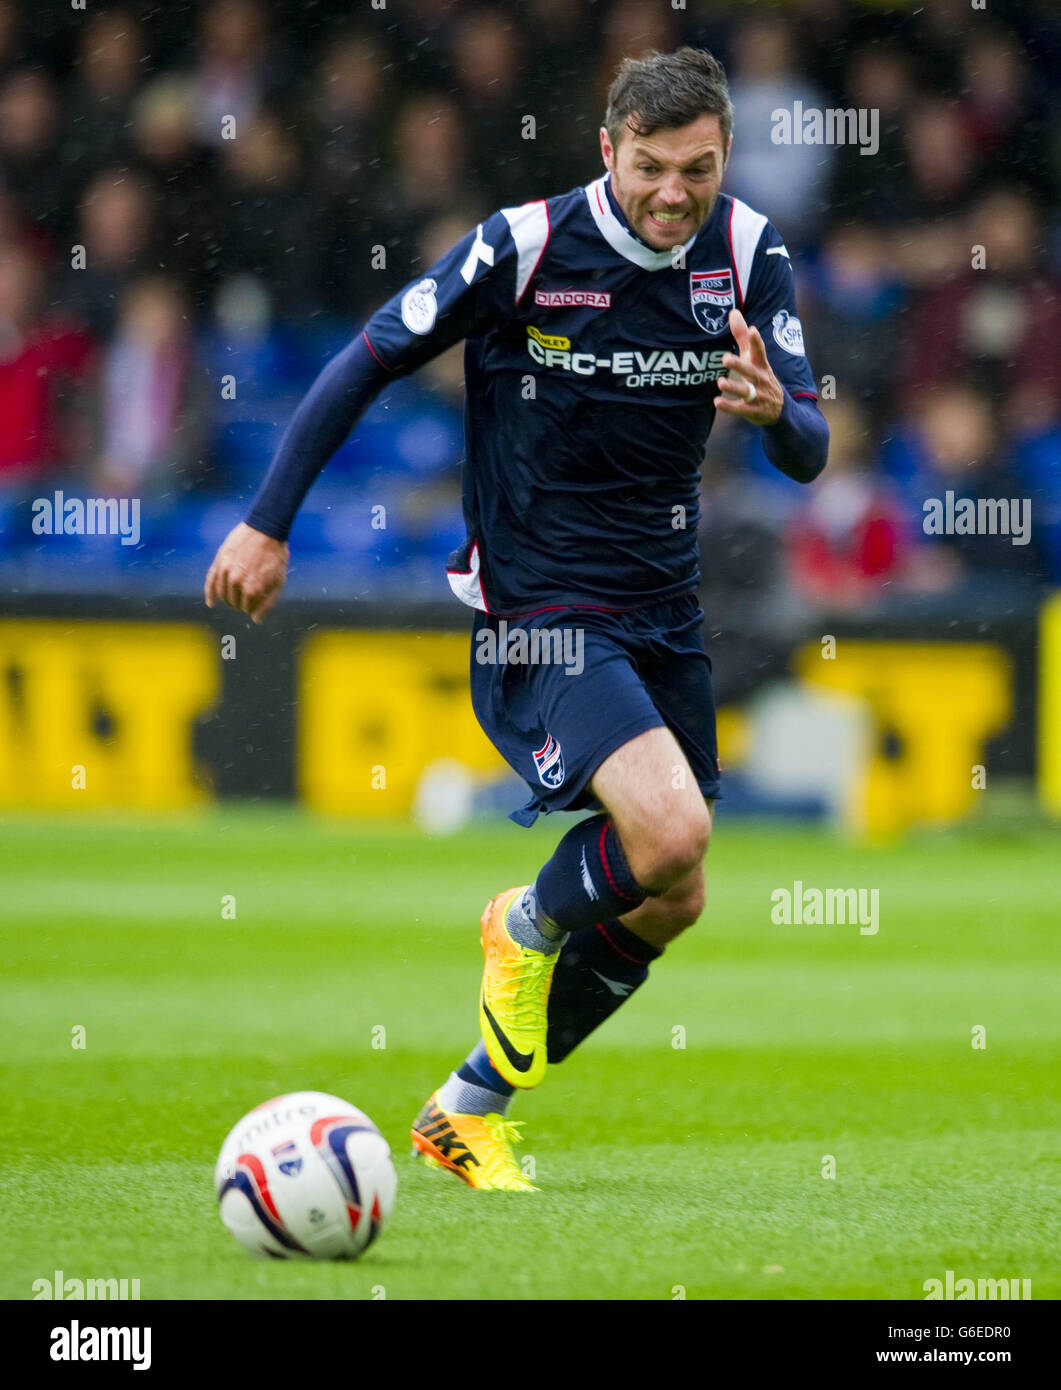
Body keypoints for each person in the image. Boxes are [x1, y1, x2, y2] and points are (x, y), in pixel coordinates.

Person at [204, 47, 828, 1190]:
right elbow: (369, 357)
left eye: (696, 169)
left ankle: (462, 1109)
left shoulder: (748, 253)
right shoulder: (525, 245)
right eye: (649, 167)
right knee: (670, 834)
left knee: (672, 893)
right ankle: (525, 920)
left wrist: (778, 411)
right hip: (538, 605)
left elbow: (807, 452)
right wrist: (266, 520)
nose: (672, 194)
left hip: (661, 610)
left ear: (723, 157)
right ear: (607, 152)